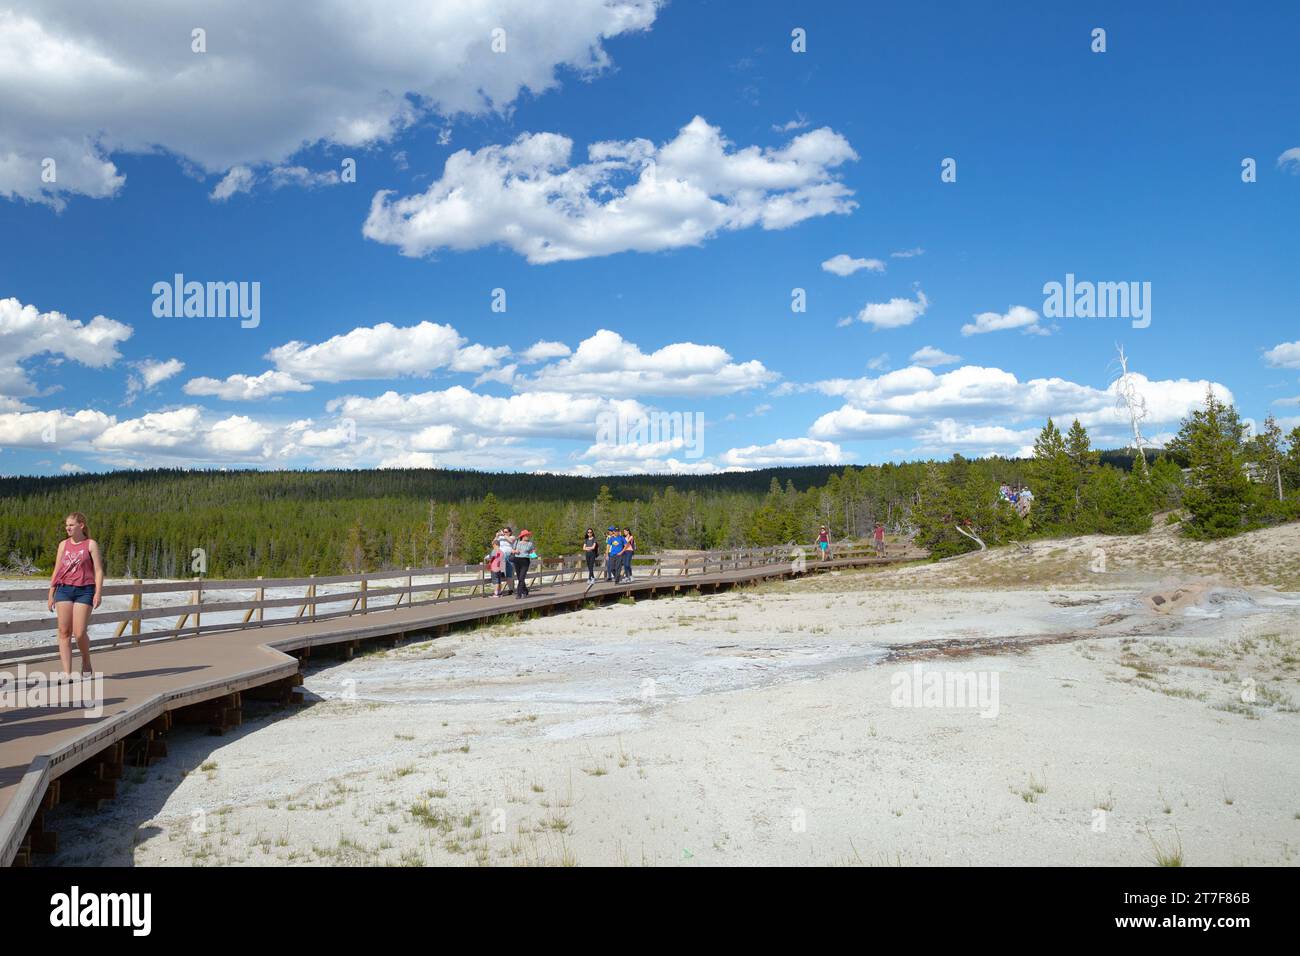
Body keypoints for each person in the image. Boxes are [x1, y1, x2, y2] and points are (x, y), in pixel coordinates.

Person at [47, 511, 102, 681]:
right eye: (66, 525)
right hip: (64, 589)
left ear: (81, 525)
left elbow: (98, 570)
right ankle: (66, 673)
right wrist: (51, 592)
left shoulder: (90, 544)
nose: (67, 528)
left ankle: (86, 661)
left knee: (79, 633)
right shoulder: (63, 545)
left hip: (85, 590)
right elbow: (57, 569)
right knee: (64, 631)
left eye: (71, 525)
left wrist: (98, 592)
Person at [513, 530, 538, 598]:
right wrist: (515, 551)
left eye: (528, 535)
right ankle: (525, 590)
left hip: (525, 560)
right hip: (517, 560)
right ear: (523, 536)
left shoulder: (530, 543)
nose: (528, 536)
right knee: (519, 577)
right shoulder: (517, 542)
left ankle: (519, 594)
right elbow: (512, 550)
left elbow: (533, 552)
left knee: (521, 577)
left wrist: (533, 555)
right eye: (526, 535)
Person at [496, 527, 516, 595]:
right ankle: (498, 590)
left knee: (509, 574)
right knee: (499, 575)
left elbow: (511, 541)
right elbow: (494, 543)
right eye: (504, 532)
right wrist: (497, 536)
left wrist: (503, 535)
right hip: (501, 556)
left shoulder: (512, 537)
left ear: (510, 532)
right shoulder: (500, 537)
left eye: (506, 532)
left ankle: (510, 589)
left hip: (509, 556)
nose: (504, 533)